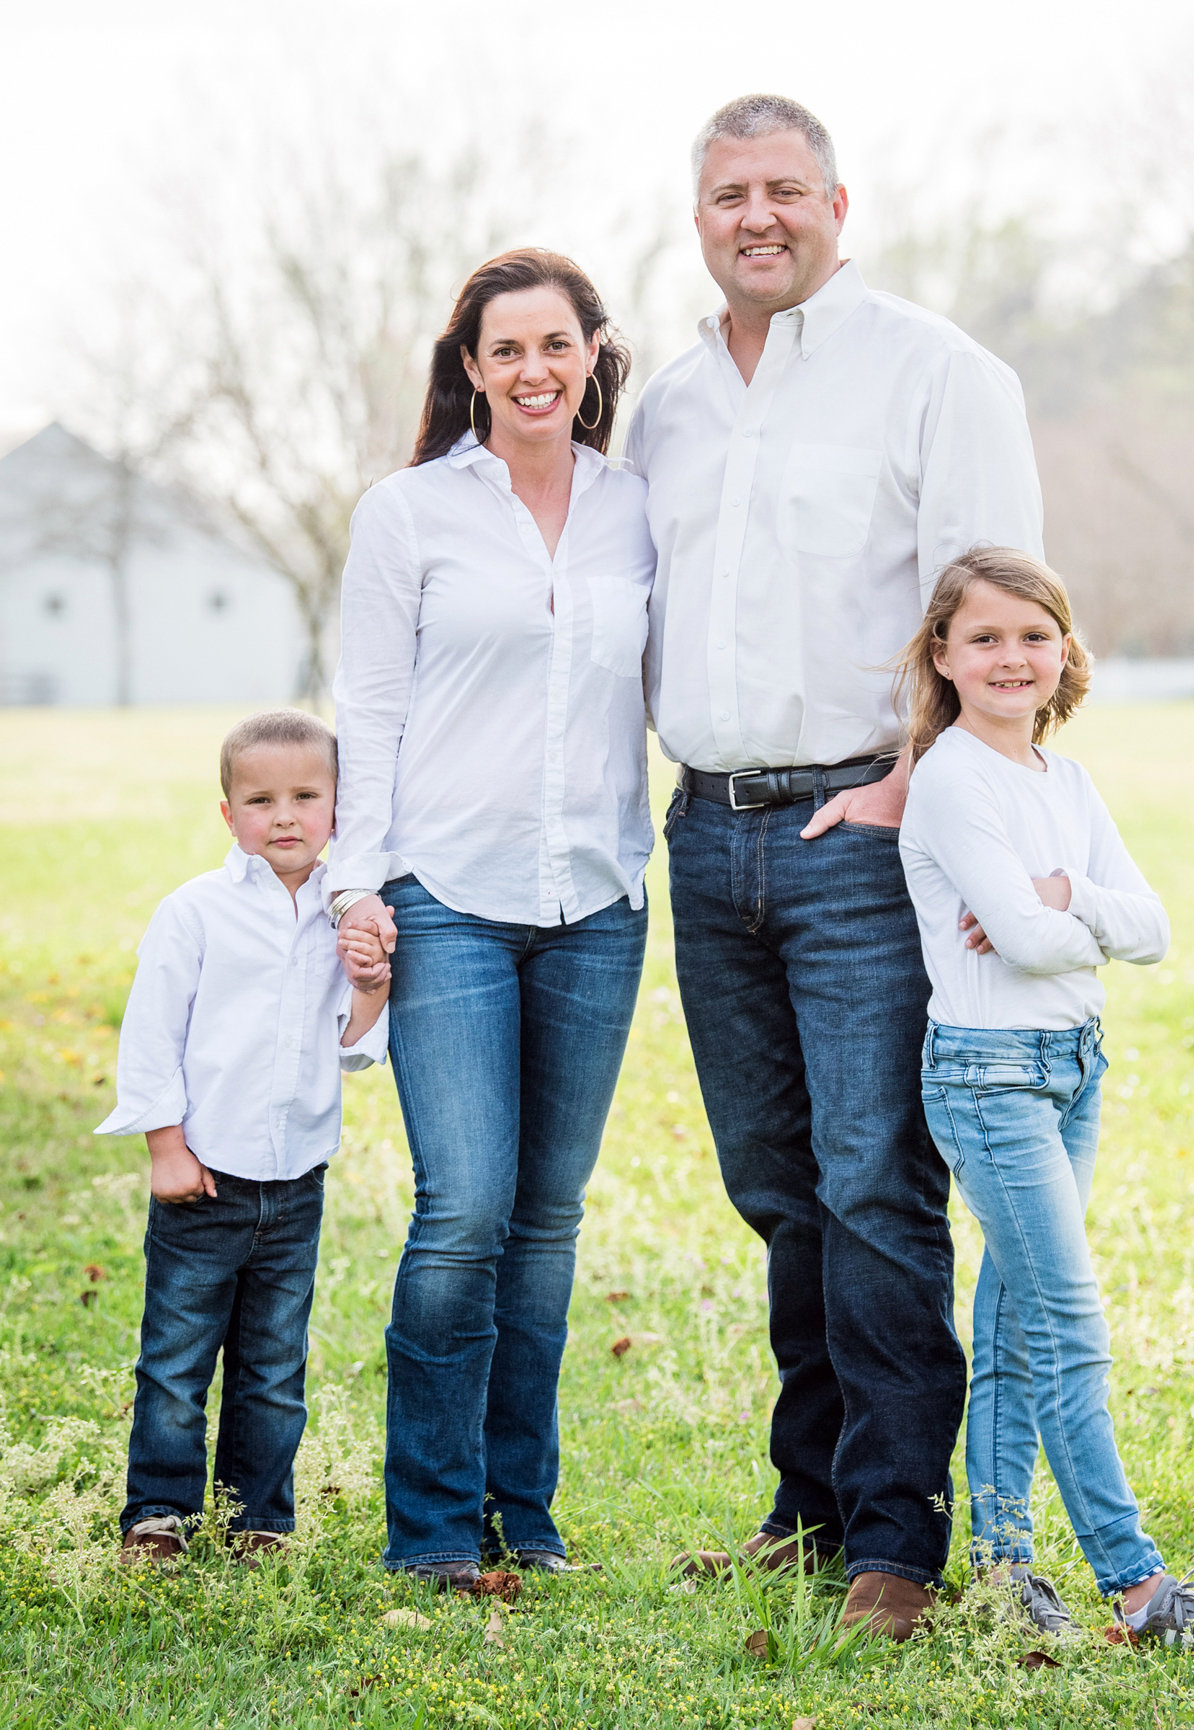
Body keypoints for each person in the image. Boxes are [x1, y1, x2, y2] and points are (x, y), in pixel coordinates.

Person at [625, 94, 1044, 1636]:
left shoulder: (937, 372)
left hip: (862, 832)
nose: (759, 216)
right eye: (730, 194)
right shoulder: (666, 405)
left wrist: (913, 789)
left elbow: (997, 612)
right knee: (779, 1187)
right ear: (699, 219)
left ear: (838, 205)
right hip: (708, 829)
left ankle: (896, 1541)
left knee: (874, 1180)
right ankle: (807, 1507)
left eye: (786, 190)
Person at [328, 250, 654, 1590]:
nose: (532, 370)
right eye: (505, 348)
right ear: (470, 366)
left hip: (597, 899)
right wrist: (354, 882)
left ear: (590, 357)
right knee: (464, 1208)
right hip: (445, 894)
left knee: (547, 1219)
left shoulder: (638, 507)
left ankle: (526, 1510)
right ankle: (431, 1525)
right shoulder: (409, 512)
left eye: (555, 345)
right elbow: (368, 707)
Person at [897, 546, 1194, 1656]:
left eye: (1034, 635)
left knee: (1018, 1325)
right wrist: (1072, 919)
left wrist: (1065, 894)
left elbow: (1152, 927)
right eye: (984, 637)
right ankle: (1142, 1590)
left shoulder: (1064, 784)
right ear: (942, 654)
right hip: (990, 1076)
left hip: (1073, 1067)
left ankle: (1002, 1569)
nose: (1011, 656)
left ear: (1064, 650)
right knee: (1069, 1327)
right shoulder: (953, 778)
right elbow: (1021, 943)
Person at [96, 709, 391, 1565]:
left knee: (273, 1366)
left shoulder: (345, 923)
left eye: (306, 797)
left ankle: (259, 1518)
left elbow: (353, 1046)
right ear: (229, 814)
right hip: (205, 1179)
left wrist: (370, 983)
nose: (285, 817)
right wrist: (165, 1147)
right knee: (176, 1361)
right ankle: (158, 1512)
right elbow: (151, 1036)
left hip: (296, 1183)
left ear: (339, 809)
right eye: (261, 801)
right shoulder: (196, 912)